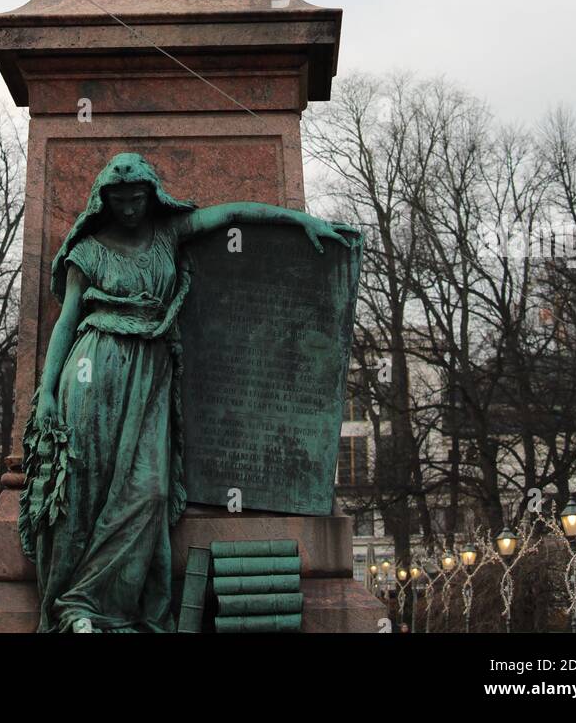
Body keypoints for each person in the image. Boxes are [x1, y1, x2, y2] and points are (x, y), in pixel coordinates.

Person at [18, 152, 351, 633]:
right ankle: (78, 609)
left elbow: (232, 215)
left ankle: (101, 601)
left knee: (149, 492)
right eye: (119, 201)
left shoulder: (168, 235)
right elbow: (67, 322)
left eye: (137, 199)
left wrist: (300, 221)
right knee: (86, 489)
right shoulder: (87, 252)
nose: (129, 209)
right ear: (103, 201)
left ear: (151, 196)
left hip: (150, 372)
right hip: (94, 371)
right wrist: (46, 393)